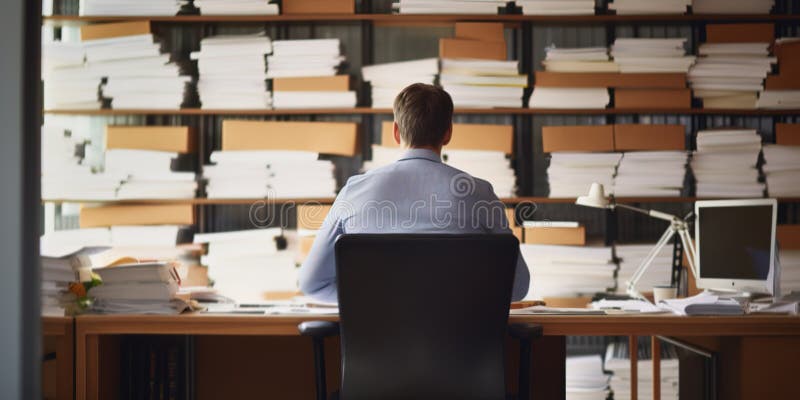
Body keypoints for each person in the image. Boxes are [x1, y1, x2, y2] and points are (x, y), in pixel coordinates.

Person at [298, 83, 530, 303]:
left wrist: (368, 301)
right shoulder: (480, 193)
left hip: (378, 342)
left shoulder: (354, 192)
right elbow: (518, 287)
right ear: (448, 133)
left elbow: (312, 284)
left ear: (396, 132)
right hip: (460, 342)